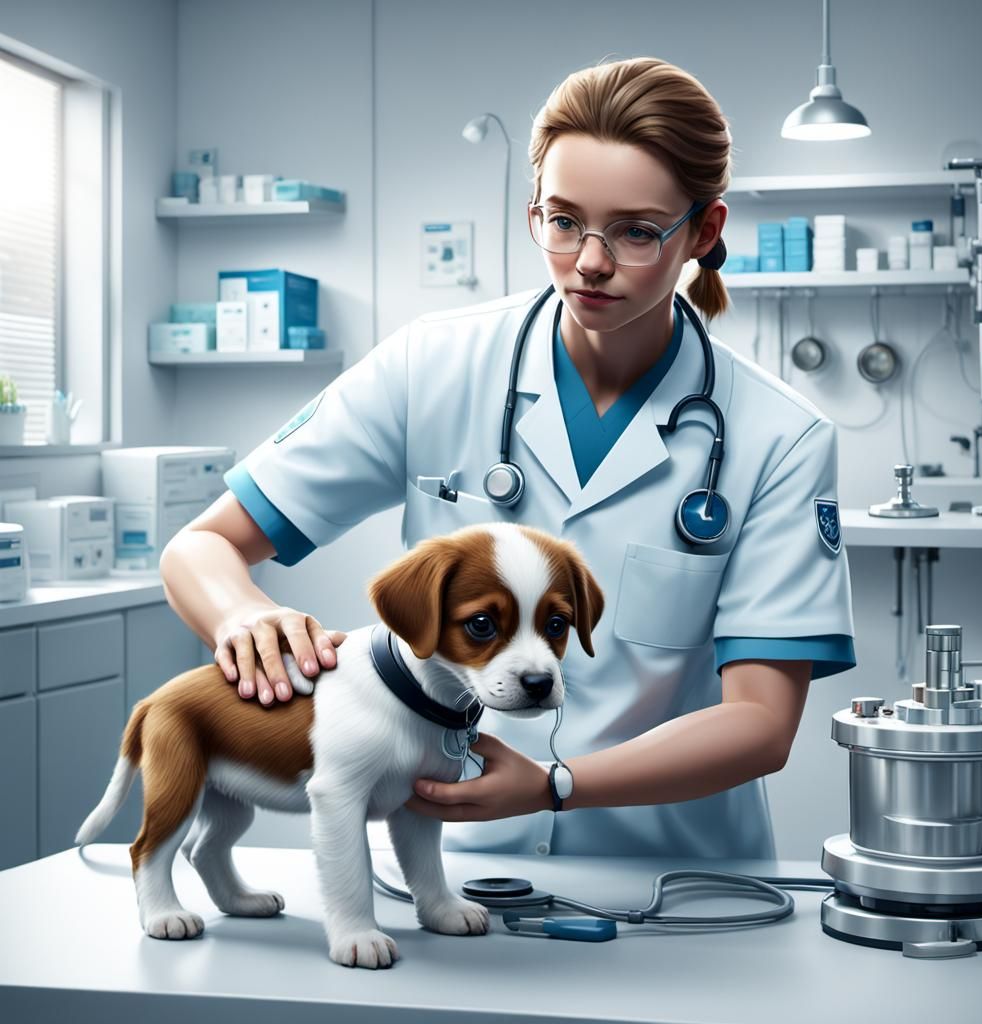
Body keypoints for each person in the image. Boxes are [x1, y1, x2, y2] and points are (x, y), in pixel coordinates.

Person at [160, 57, 855, 860]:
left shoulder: (778, 437)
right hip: (455, 871)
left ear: (702, 232)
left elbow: (760, 723)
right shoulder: (431, 366)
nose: (589, 261)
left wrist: (556, 784)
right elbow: (200, 547)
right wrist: (239, 614)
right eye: (563, 222)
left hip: (673, 879)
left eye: (635, 231)